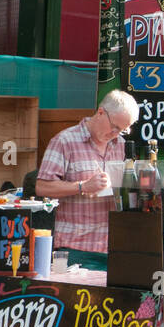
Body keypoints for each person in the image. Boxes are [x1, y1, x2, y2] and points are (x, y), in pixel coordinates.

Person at [36, 91, 139, 270]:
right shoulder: (65, 141)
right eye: (114, 127)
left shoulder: (122, 146)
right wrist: (83, 186)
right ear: (100, 113)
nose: (116, 134)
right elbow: (42, 187)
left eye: (123, 129)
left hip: (114, 248)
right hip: (75, 249)